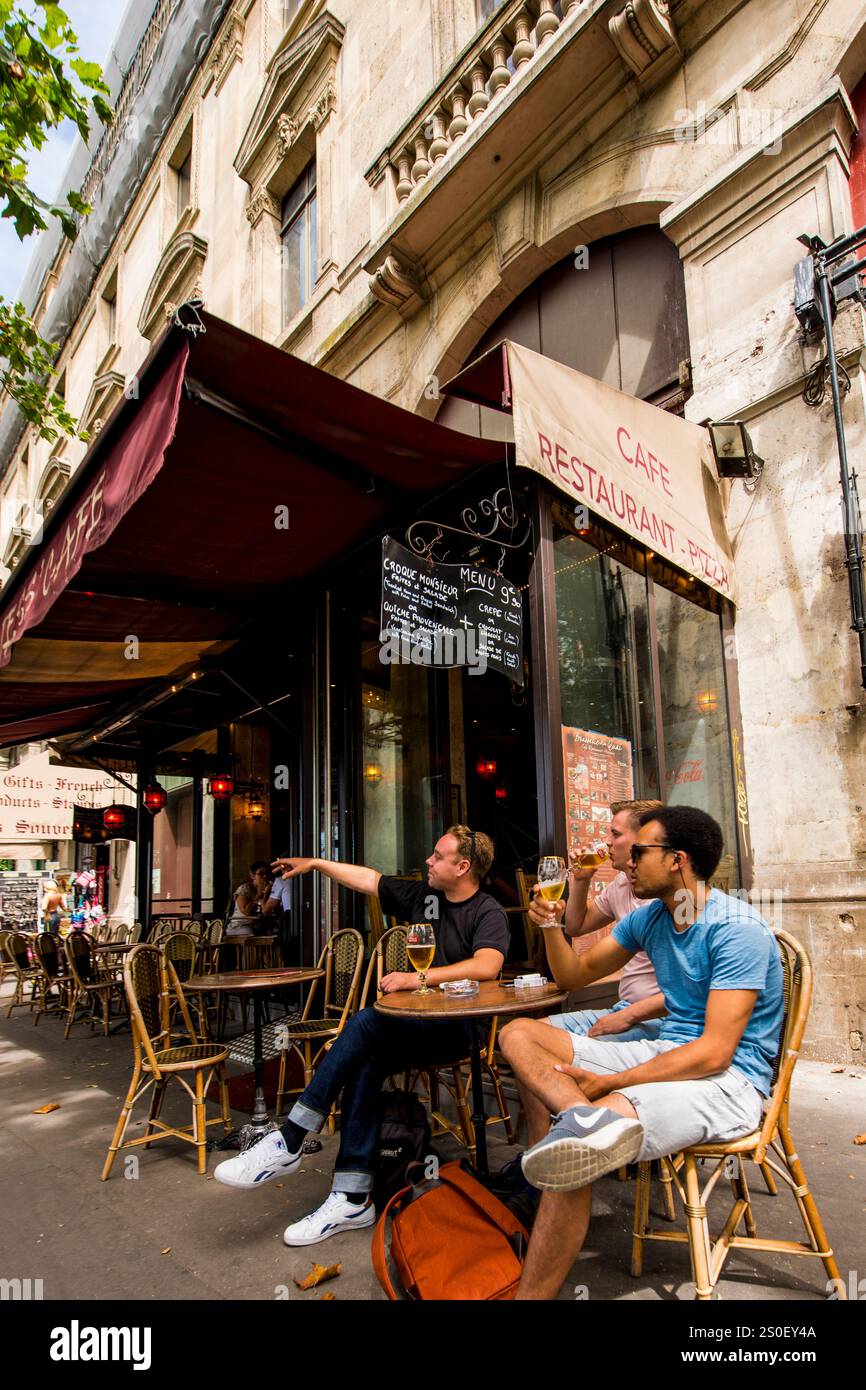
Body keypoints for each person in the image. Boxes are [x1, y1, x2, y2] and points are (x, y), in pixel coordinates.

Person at [499, 806, 784, 1300]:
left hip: (729, 1080)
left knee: (575, 1151)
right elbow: (572, 977)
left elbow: (714, 1053)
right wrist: (547, 925)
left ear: (677, 860)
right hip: (666, 1051)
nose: (626, 861)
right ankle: (583, 1118)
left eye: (639, 851)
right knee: (520, 1033)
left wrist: (611, 1083)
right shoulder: (652, 916)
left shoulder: (736, 928)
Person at [213, 826, 509, 1247]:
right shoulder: (424, 897)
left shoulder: (487, 911)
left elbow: (487, 966)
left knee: (367, 1023)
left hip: (459, 1028)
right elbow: (368, 879)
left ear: (463, 867)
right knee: (367, 1058)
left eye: (438, 856)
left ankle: (293, 1137)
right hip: (417, 1026)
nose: (428, 860)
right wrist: (316, 863)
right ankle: (351, 1198)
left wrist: (417, 977)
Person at [494, 799, 665, 1188]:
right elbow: (577, 929)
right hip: (626, 1007)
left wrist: (630, 1015)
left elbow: (696, 994)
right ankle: (544, 1155)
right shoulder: (624, 887)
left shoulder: (674, 902)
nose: (605, 840)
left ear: (645, 841)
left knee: (536, 1045)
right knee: (525, 1039)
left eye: (614, 833)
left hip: (653, 1022)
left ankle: (576, 1144)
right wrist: (581, 881)